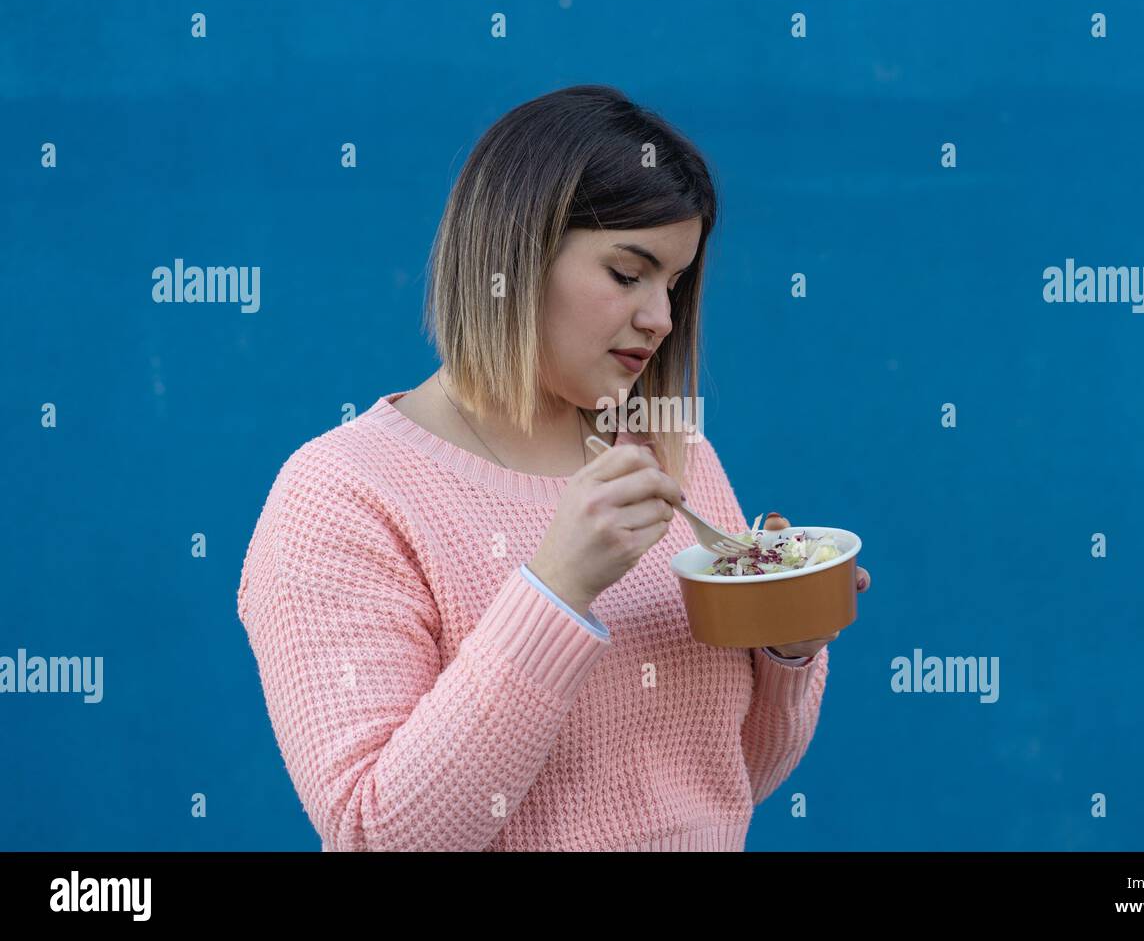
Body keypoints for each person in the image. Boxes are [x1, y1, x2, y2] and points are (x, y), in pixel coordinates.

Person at [236, 84, 871, 851]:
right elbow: (377, 836)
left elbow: (731, 775)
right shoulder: (343, 494)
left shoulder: (671, 449)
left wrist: (787, 642)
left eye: (674, 283)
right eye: (627, 273)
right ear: (514, 251)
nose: (660, 319)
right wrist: (559, 586)